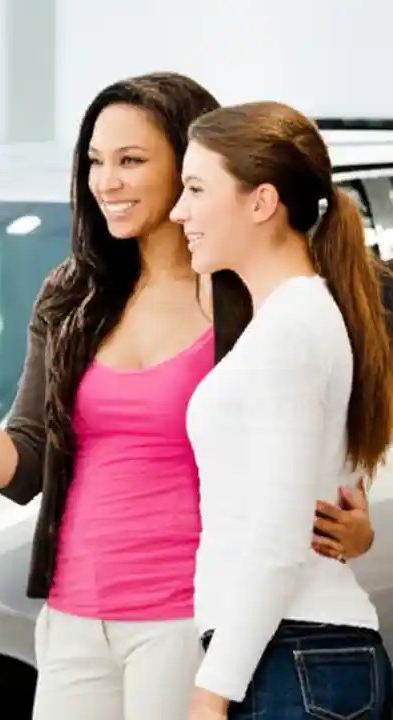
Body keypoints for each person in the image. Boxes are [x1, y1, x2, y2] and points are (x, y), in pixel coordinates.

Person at [0, 72, 376, 720]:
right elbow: (21, 468)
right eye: (95, 161)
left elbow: (326, 393)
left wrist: (352, 507)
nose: (107, 182)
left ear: (191, 165)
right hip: (72, 619)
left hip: (186, 619)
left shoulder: (246, 287)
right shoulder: (73, 295)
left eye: (131, 161)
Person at [173, 101, 393, 720]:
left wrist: (212, 689)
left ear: (261, 202)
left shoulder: (291, 327)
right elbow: (318, 491)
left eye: (194, 188)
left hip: (290, 654)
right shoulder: (296, 317)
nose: (178, 211)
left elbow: (276, 535)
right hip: (296, 653)